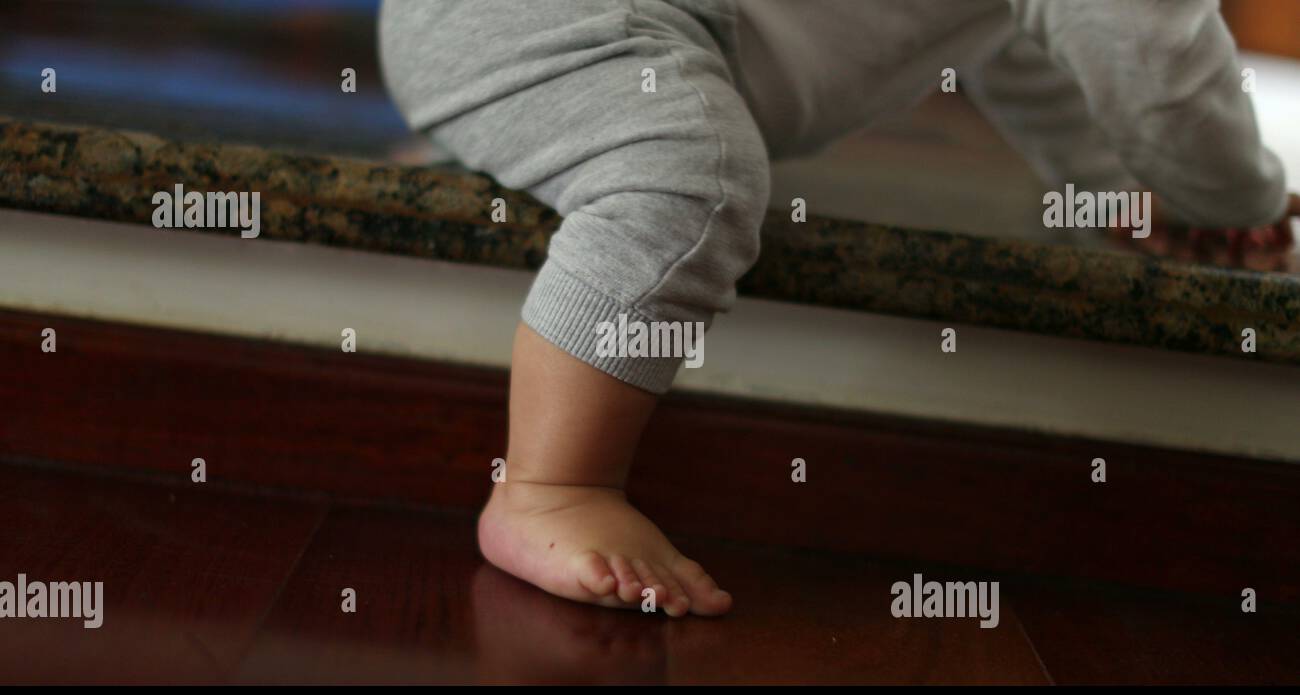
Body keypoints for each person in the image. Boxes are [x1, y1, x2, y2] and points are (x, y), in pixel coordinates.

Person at [379, 0, 1299, 617]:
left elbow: (1027, 31)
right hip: (560, 23)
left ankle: (522, 124)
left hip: (514, 32)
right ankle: (550, 484)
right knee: (693, 174)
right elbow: (1157, 58)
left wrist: (1109, 189)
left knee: (658, 133)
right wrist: (1240, 196)